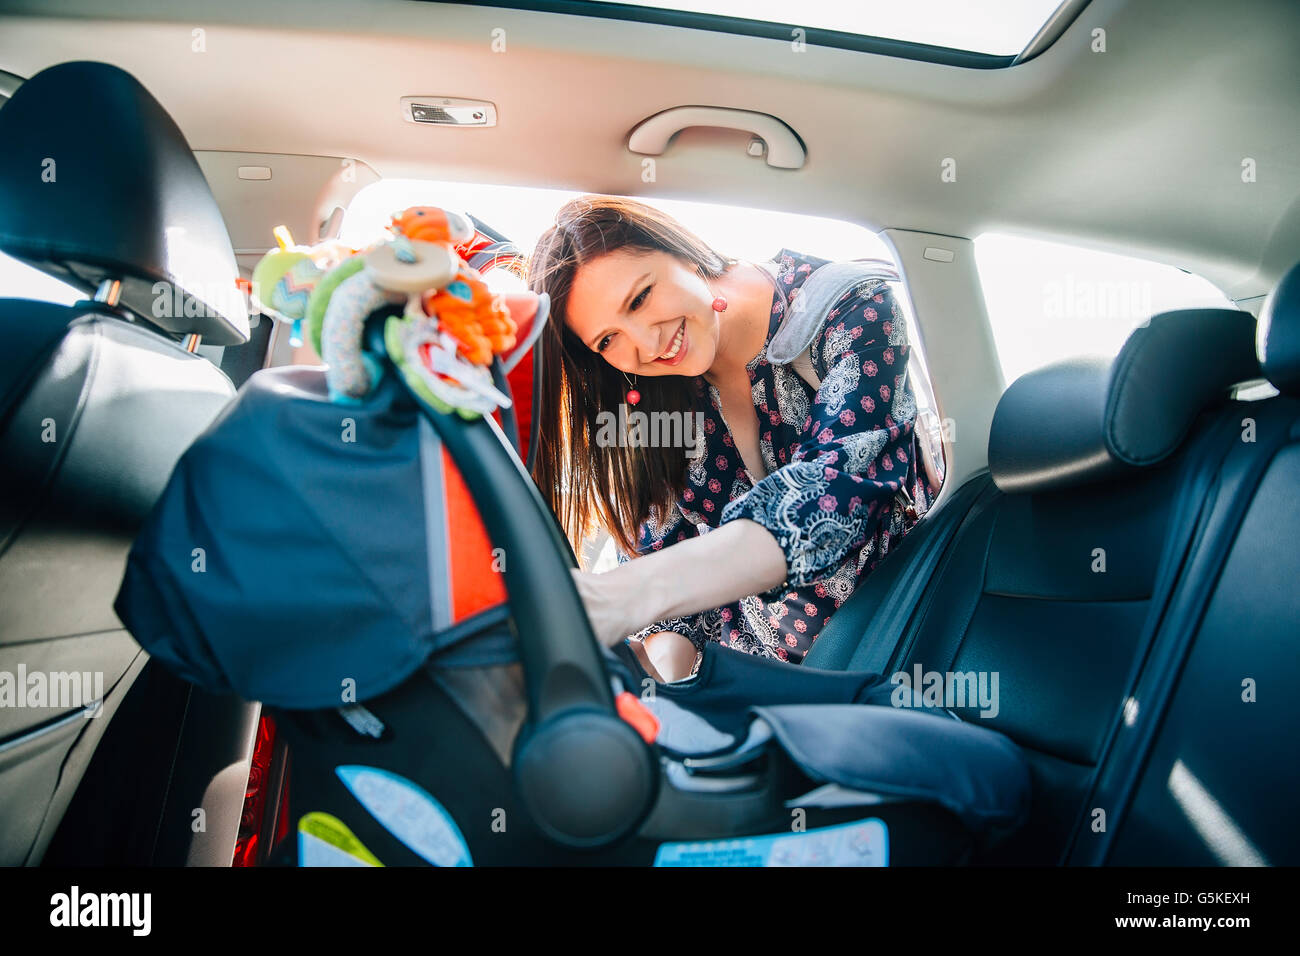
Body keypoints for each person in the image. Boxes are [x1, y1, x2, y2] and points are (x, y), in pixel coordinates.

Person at [527, 195, 935, 682]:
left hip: (896, 648)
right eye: (608, 340)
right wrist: (670, 691)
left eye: (639, 298)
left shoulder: (849, 307)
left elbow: (834, 495)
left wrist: (624, 595)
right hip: (754, 685)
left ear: (682, 252)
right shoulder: (647, 399)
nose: (646, 344)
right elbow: (667, 572)